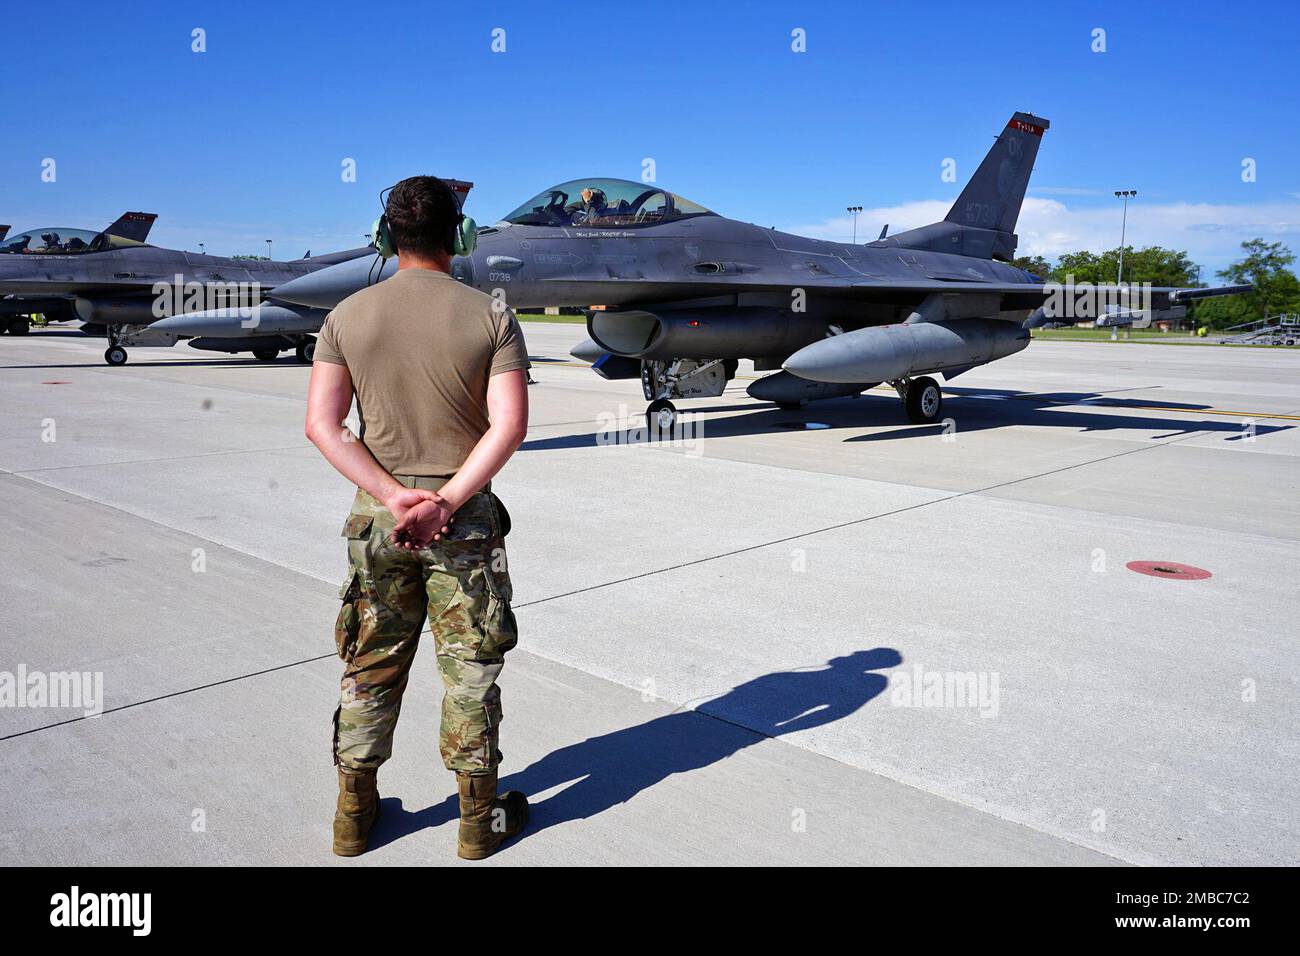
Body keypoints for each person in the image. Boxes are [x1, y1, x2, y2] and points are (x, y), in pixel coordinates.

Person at [305, 175, 531, 860]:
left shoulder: (347, 315)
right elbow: (509, 427)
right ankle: (475, 822)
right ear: (458, 235)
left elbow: (323, 425)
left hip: (379, 523)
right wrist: (444, 500)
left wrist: (395, 496)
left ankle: (352, 818)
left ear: (386, 237)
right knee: (469, 668)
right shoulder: (490, 315)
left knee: (369, 665)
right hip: (461, 523)